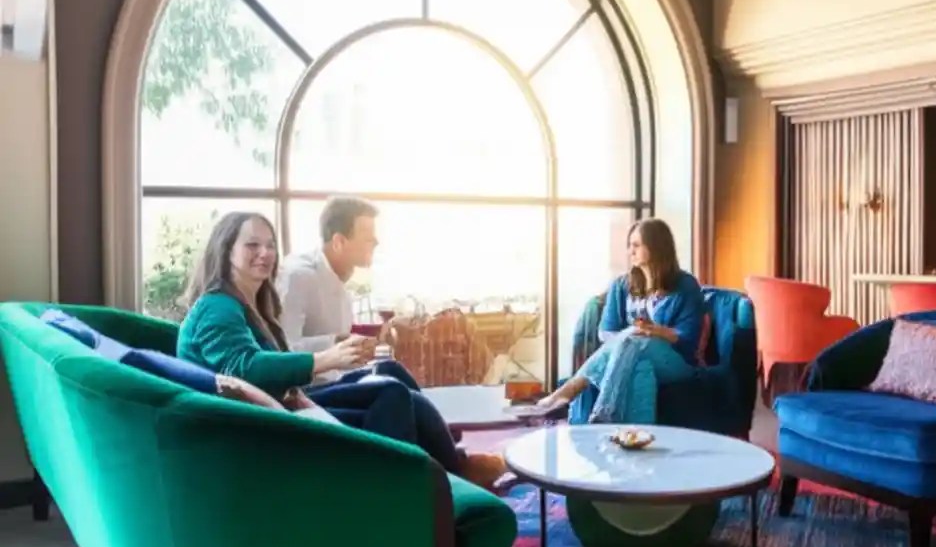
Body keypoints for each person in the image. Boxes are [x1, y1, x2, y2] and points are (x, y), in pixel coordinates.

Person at [176, 211, 507, 490]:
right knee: (390, 394)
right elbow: (243, 368)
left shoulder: (253, 303)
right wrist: (324, 359)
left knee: (389, 373)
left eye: (270, 245)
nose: (265, 253)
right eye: (252, 245)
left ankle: (448, 467)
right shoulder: (218, 305)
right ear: (225, 250)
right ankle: (404, 490)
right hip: (266, 422)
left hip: (285, 401)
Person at [537, 218, 706, 424]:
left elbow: (688, 337)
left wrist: (653, 332)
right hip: (635, 356)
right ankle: (633, 439)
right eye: (629, 246)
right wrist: (633, 337)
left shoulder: (685, 285)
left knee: (634, 338)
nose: (630, 251)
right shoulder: (622, 285)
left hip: (677, 363)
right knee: (641, 369)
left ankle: (580, 394)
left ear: (656, 247)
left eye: (636, 245)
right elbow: (606, 332)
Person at [276, 196, 379, 356]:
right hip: (313, 381)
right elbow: (283, 347)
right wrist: (338, 342)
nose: (376, 242)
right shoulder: (298, 276)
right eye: (367, 238)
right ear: (339, 242)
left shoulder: (341, 275)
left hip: (338, 377)